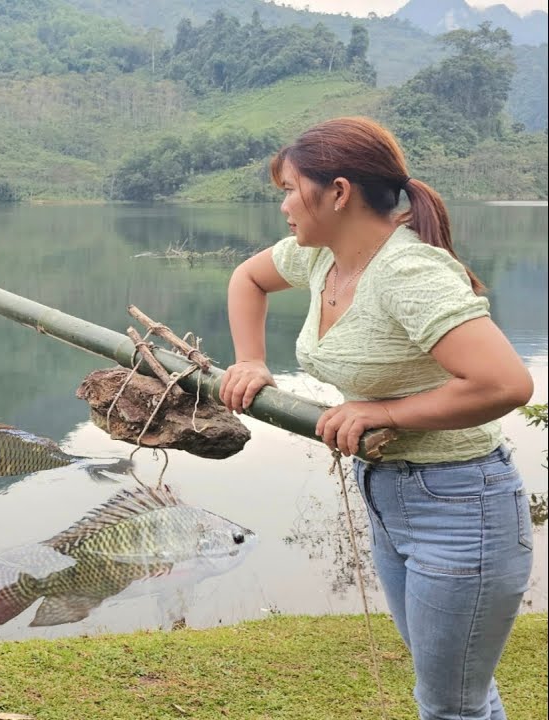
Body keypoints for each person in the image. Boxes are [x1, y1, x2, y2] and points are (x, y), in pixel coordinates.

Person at [218, 116, 535, 720]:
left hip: (460, 504)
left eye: (290, 190)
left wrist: (385, 411)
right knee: (458, 693)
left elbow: (505, 384)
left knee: (449, 703)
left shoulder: (408, 273)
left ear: (338, 192)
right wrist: (250, 360)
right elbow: (247, 278)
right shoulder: (323, 259)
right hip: (389, 493)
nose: (283, 206)